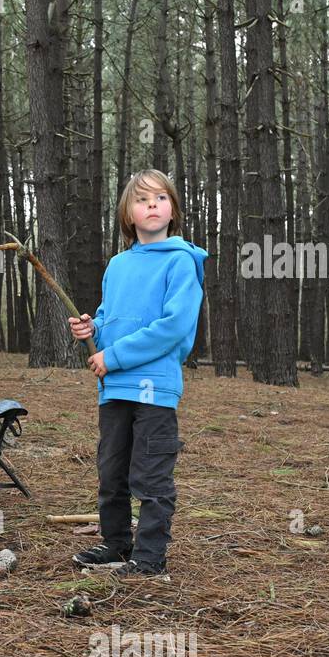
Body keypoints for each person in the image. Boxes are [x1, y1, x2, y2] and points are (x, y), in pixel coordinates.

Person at [68, 169, 206, 580]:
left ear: (173, 210)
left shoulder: (182, 262)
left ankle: (149, 559)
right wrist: (92, 331)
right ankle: (115, 545)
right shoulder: (118, 264)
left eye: (161, 198)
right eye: (142, 200)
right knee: (112, 472)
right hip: (114, 389)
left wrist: (116, 355)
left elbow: (173, 327)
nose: (152, 205)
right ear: (128, 214)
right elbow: (112, 316)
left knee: (150, 475)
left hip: (154, 390)